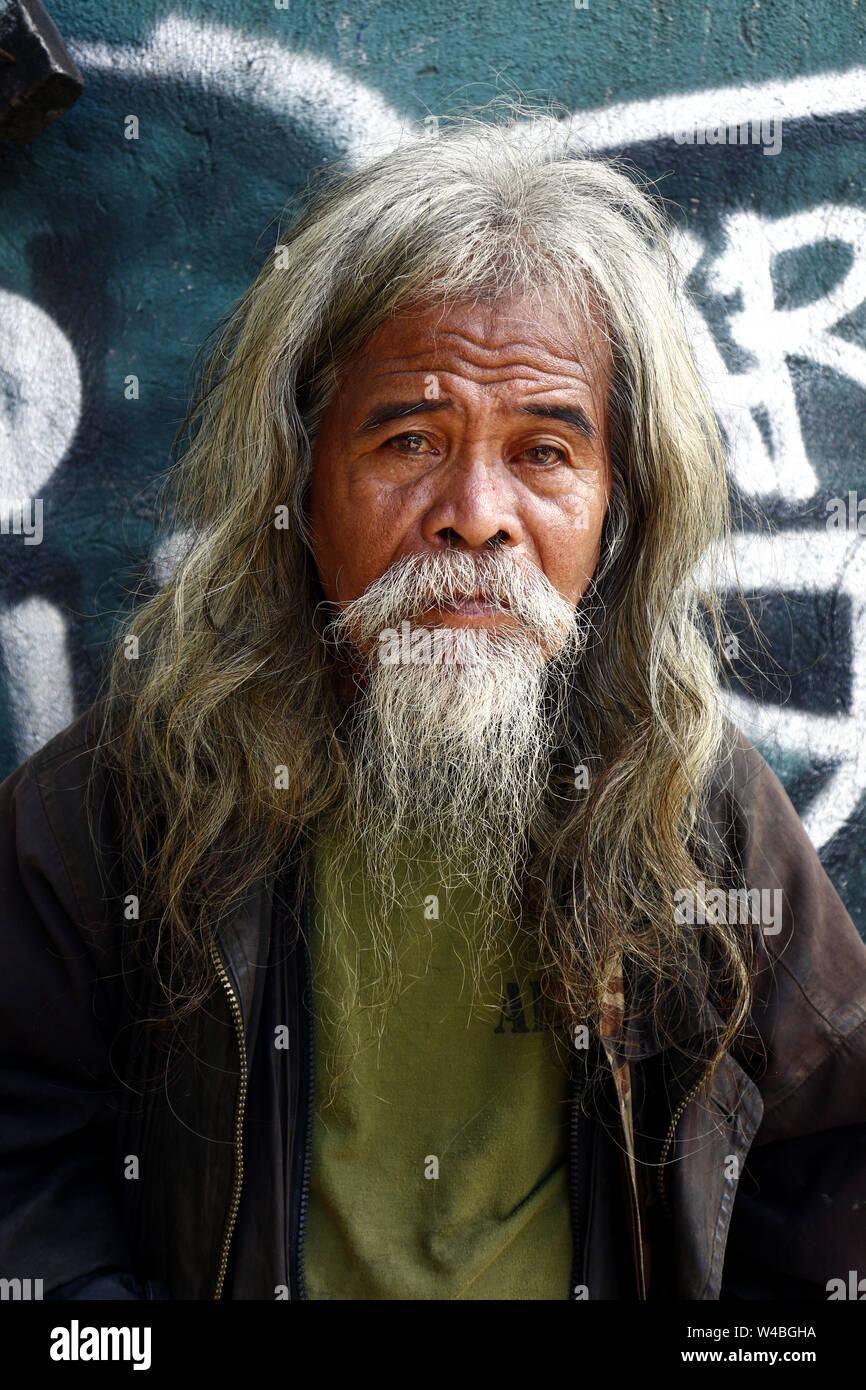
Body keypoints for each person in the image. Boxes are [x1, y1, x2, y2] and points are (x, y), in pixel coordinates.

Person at [1, 115, 864, 1301]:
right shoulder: (121, 800)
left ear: (616, 509)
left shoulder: (697, 807)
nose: (474, 513)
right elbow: (22, 1175)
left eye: (544, 451)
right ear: (299, 480)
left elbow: (829, 1167)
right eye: (409, 438)